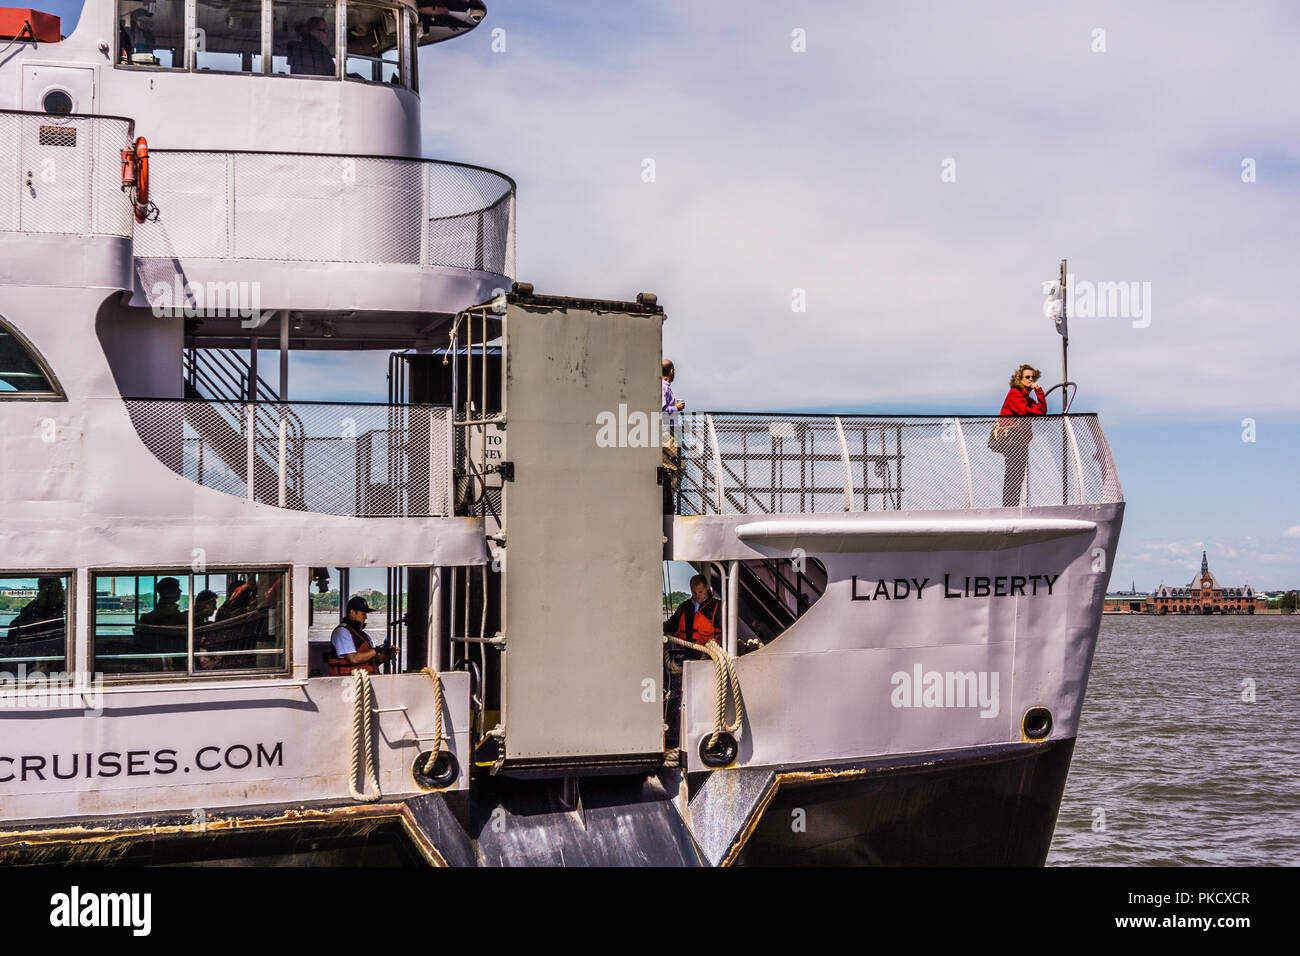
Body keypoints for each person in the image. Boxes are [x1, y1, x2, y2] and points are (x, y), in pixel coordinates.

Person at [995, 364, 1046, 507]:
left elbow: (1041, 410)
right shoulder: (1014, 393)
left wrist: (1039, 391)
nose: (1031, 380)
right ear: (1020, 379)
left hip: (1021, 442)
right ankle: (1008, 507)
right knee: (1012, 474)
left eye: (1032, 377)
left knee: (1017, 476)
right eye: (1027, 377)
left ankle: (1012, 505)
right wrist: (1033, 408)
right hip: (1012, 440)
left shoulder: (1027, 398)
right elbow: (1023, 411)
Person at [328, 596, 398, 675]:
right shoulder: (342, 632)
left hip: (367, 680)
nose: (366, 617)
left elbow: (375, 660)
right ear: (352, 613)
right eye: (363, 614)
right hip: (348, 682)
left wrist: (387, 653)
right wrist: (377, 650)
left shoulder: (363, 635)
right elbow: (353, 658)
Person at [663, 574, 722, 646]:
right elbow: (671, 625)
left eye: (700, 592)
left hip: (709, 653)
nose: (697, 596)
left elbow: (724, 633)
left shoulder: (718, 606)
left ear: (707, 588)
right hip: (685, 652)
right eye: (694, 593)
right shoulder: (683, 607)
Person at [661, 360, 687, 512]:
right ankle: (668, 498)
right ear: (671, 371)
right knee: (678, 466)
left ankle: (667, 498)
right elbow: (663, 409)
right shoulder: (664, 387)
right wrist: (676, 407)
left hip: (668, 431)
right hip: (666, 431)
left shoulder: (665, 387)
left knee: (669, 466)